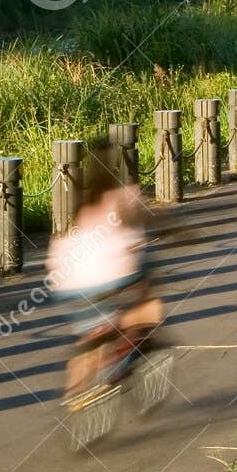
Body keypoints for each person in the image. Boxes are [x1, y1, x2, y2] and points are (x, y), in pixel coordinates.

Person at [47, 141, 163, 404]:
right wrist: (185, 234)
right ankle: (129, 343)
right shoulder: (124, 195)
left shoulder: (81, 202)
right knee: (145, 285)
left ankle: (75, 388)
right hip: (111, 273)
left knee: (90, 328)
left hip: (64, 278)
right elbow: (157, 222)